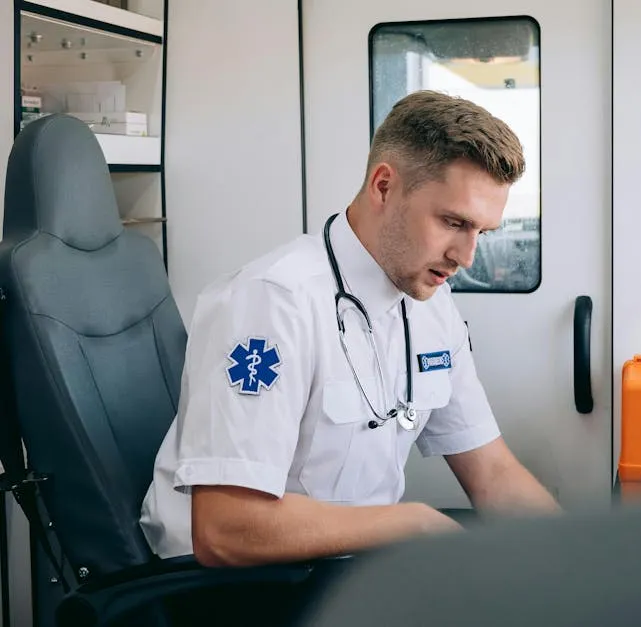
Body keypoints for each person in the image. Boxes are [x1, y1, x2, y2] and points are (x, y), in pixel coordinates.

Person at [138, 90, 560, 567]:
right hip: (235, 587)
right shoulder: (271, 302)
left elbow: (493, 475)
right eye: (452, 222)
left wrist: (579, 561)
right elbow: (227, 529)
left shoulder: (430, 303)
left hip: (349, 566)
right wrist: (412, 523)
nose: (466, 258)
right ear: (384, 186)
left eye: (481, 232)